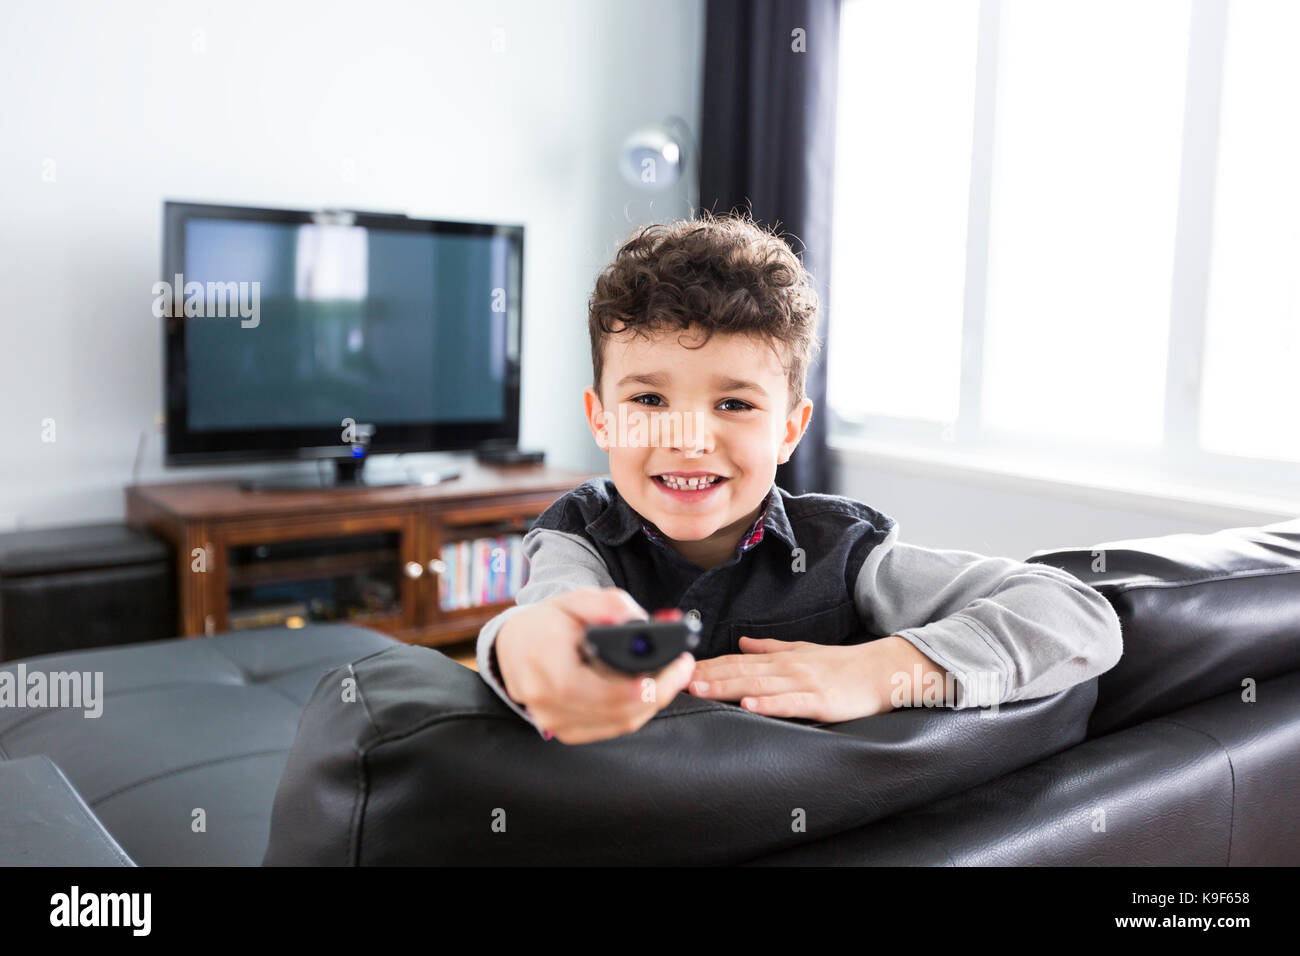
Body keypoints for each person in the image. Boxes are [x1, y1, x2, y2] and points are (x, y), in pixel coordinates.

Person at [476, 211, 1123, 744]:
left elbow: (1079, 615)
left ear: (789, 428)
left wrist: (883, 670)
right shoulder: (576, 535)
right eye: (649, 401)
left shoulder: (843, 548)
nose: (690, 438)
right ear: (602, 418)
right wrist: (520, 648)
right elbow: (544, 617)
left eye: (734, 404)